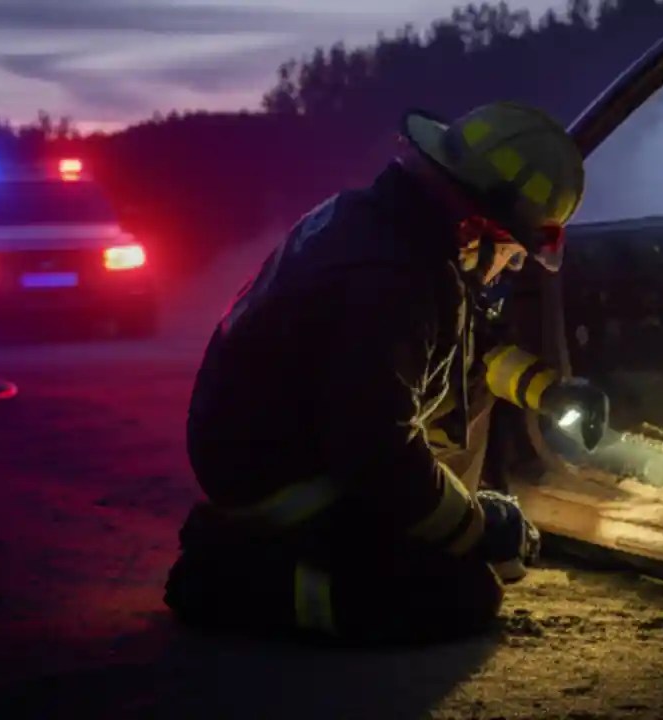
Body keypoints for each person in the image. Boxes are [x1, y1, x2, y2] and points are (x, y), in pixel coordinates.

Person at [164, 101, 610, 644]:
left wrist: (551, 392)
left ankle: (281, 547)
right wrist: (474, 528)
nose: (507, 271)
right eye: (513, 255)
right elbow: (375, 451)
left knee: (443, 536)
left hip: (288, 444)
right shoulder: (393, 278)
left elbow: (470, 357)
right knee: (460, 595)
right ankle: (227, 581)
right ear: (479, 226)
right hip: (280, 477)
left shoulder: (392, 229)